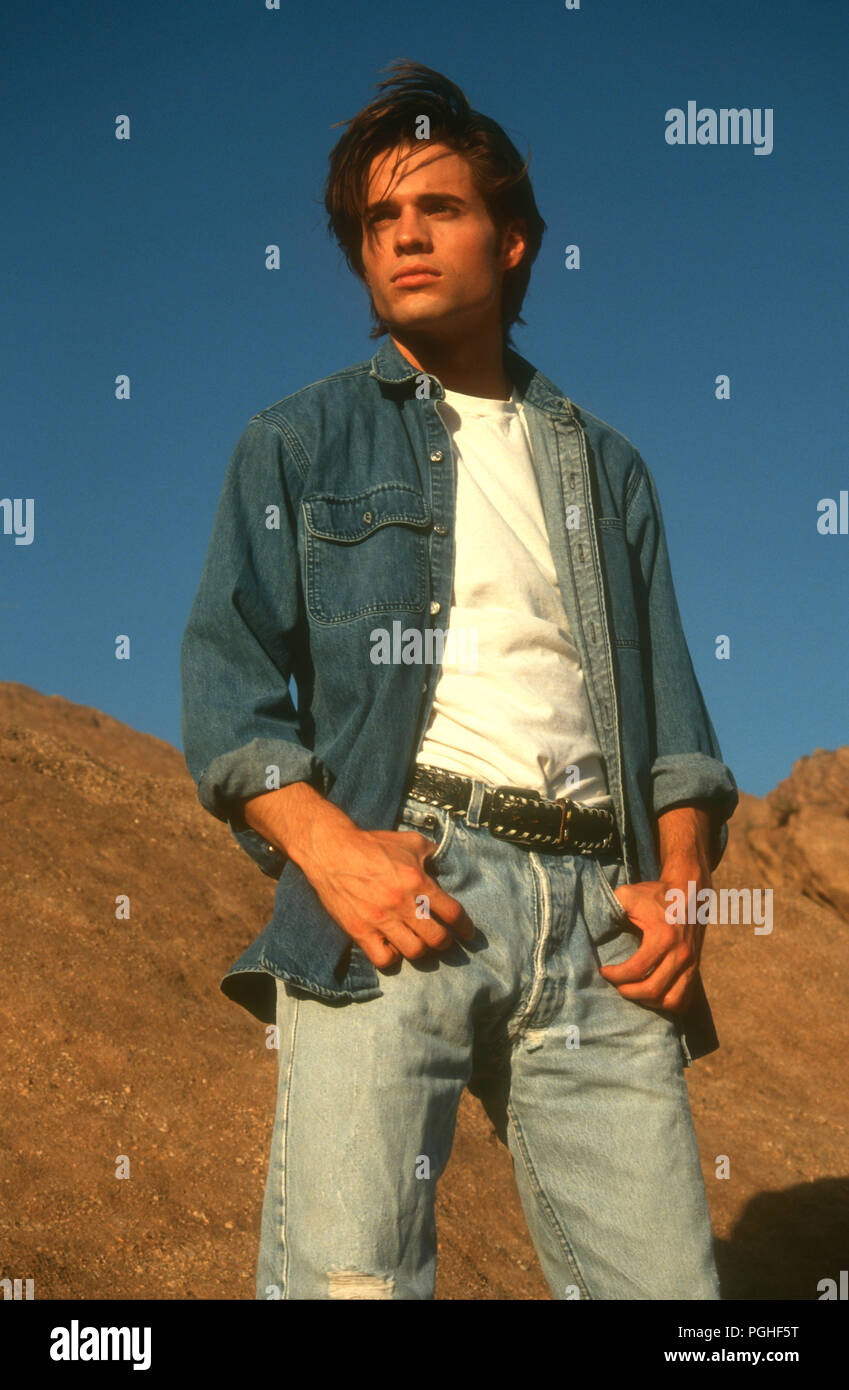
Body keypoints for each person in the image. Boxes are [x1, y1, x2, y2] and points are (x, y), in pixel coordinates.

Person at [180, 60, 739, 1301]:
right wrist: (333, 853)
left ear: (516, 240)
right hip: (406, 889)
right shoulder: (295, 441)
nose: (405, 236)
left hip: (600, 918)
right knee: (355, 1287)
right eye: (379, 220)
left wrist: (683, 878)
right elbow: (229, 693)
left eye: (437, 206)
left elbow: (680, 734)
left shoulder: (609, 471)